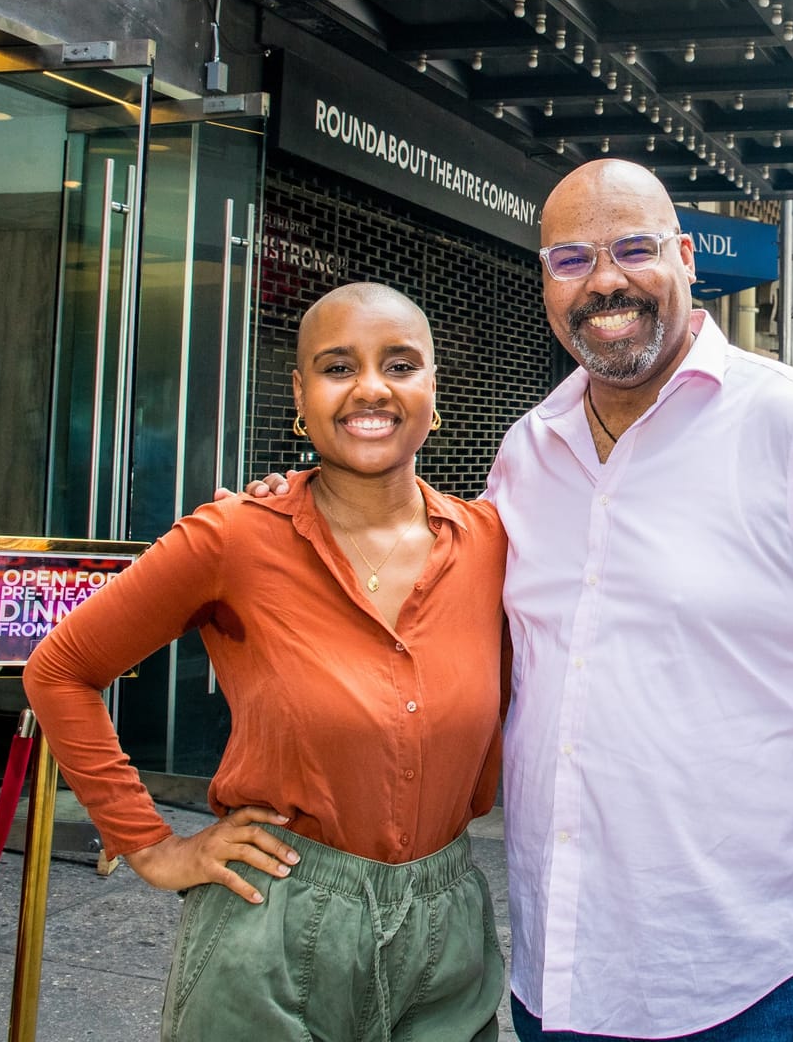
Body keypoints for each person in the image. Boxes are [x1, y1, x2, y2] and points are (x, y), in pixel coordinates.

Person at [494, 162, 793, 1042]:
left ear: (685, 258)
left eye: (633, 249)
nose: (604, 280)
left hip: (749, 986)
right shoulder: (526, 453)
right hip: (556, 978)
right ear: (546, 281)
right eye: (572, 259)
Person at [28, 284, 505, 1042]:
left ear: (433, 388)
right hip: (275, 921)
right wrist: (149, 844)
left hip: (448, 936)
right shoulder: (234, 537)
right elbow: (58, 670)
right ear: (301, 394)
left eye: (400, 365)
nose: (371, 389)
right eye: (338, 367)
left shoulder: (492, 545)